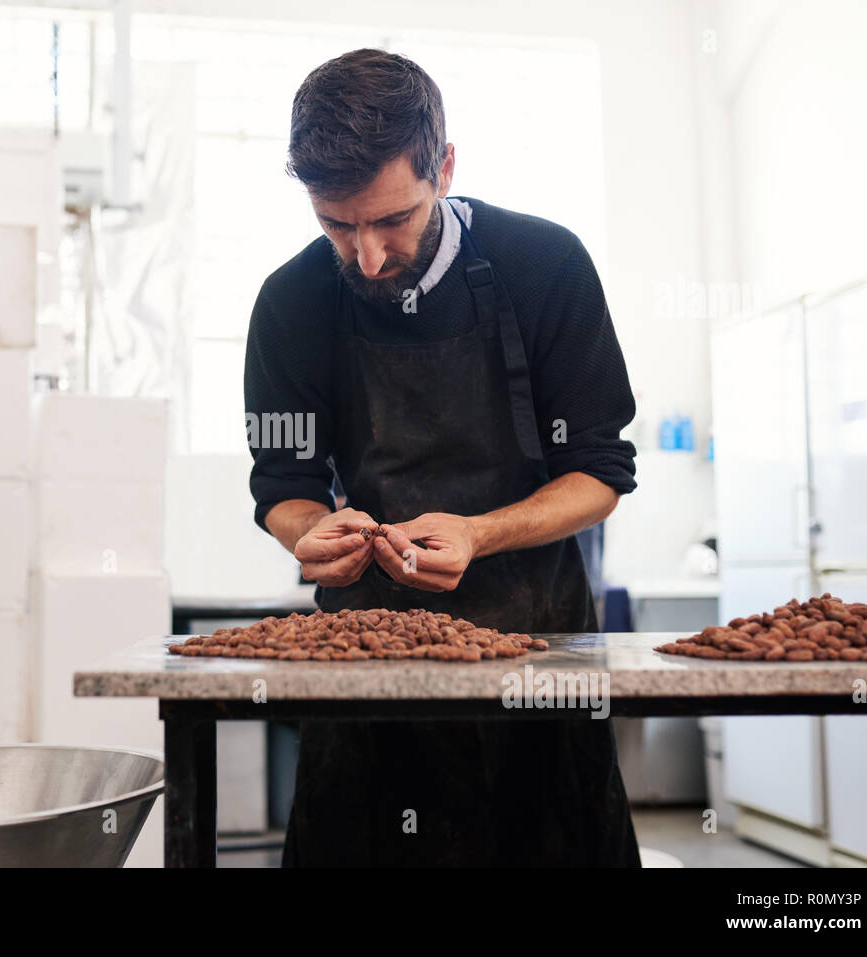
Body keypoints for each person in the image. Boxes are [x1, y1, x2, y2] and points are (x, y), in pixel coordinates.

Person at [244, 48, 641, 866]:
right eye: (335, 223)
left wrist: (481, 533)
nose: (367, 255)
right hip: (367, 655)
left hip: (539, 649)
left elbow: (600, 473)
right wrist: (308, 533)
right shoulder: (291, 304)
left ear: (445, 167)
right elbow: (284, 485)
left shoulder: (546, 266)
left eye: (394, 219)